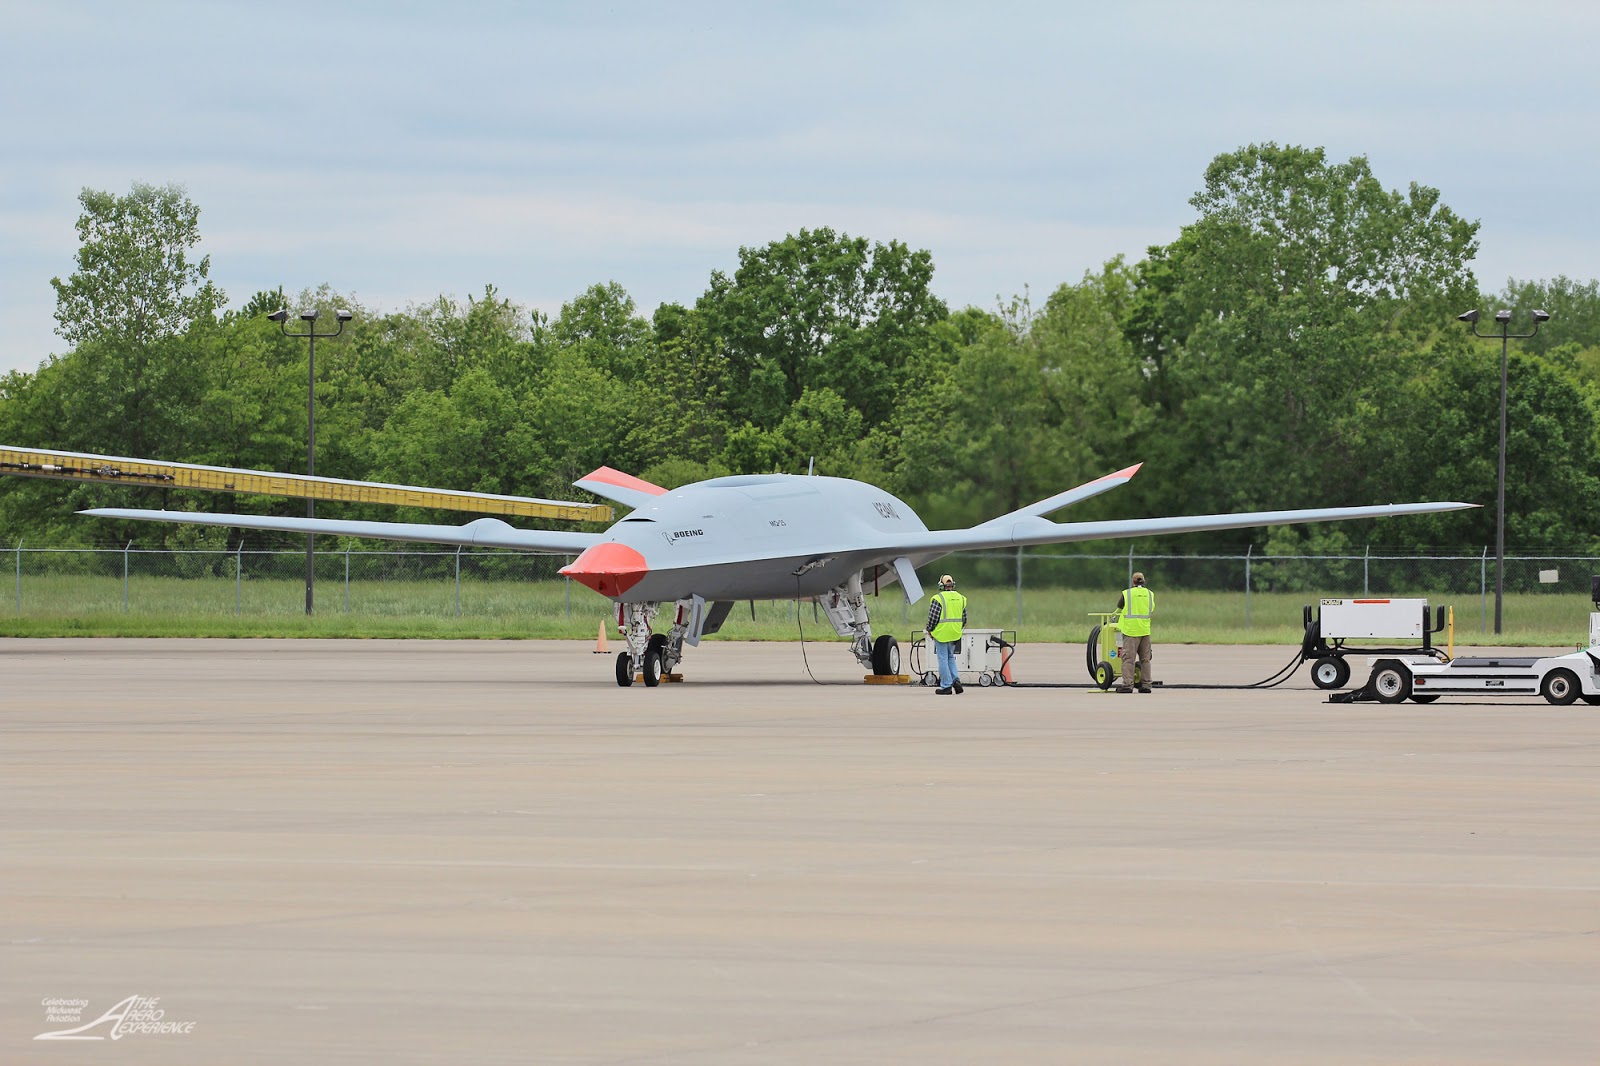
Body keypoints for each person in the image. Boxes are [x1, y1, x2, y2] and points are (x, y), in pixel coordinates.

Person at [927, 574, 968, 695]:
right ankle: (956, 680)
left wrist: (929, 629)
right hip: (955, 633)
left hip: (941, 633)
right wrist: (957, 629)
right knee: (951, 657)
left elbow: (933, 617)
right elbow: (964, 618)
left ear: (941, 585)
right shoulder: (961, 598)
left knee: (943, 658)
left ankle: (946, 686)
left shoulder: (938, 598)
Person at [1114, 571, 1154, 693]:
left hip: (1131, 631)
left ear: (1133, 581)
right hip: (1145, 630)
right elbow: (1151, 609)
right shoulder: (1150, 594)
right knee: (1145, 659)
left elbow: (1119, 608)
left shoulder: (1127, 593)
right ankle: (1146, 685)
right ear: (1144, 581)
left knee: (1128, 659)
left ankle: (1127, 685)